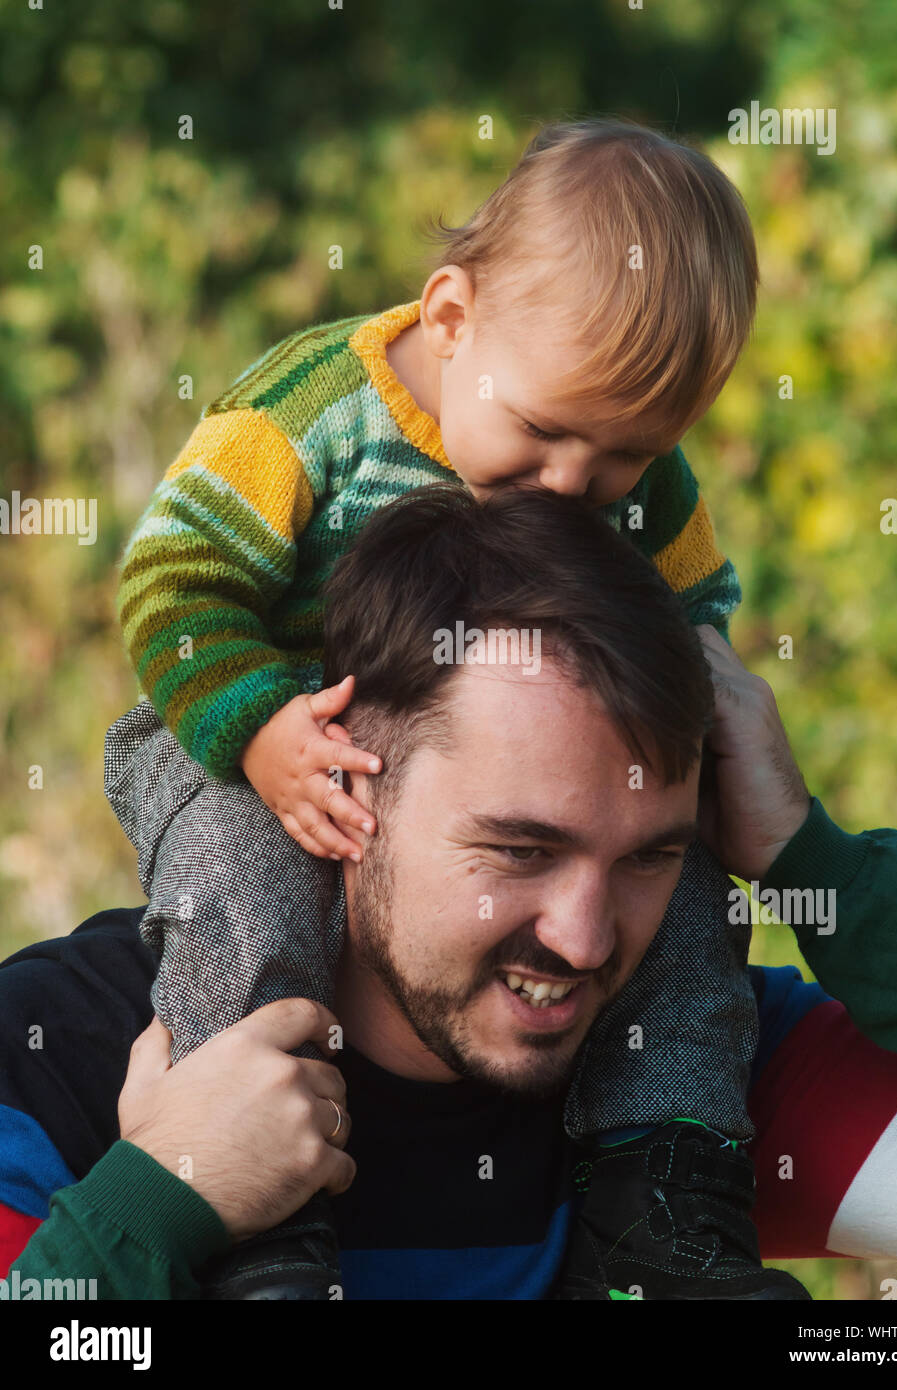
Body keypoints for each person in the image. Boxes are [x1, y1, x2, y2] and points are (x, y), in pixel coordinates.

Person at [106, 117, 779, 1295]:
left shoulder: (628, 467)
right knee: (244, 881)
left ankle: (660, 1192)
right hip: (228, 726)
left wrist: (725, 771)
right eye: (541, 431)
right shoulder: (311, 410)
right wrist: (263, 729)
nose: (574, 486)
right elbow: (174, 583)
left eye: (621, 455)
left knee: (677, 899)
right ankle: (260, 1208)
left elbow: (687, 622)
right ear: (452, 317)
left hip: (456, 773)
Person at [3, 488, 897, 1301]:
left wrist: (810, 860)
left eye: (649, 857)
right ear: (341, 784)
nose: (586, 941)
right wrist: (154, 1201)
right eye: (519, 848)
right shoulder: (50, 1058)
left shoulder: (697, 1083)